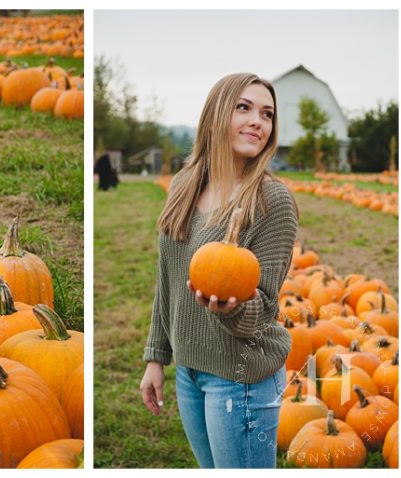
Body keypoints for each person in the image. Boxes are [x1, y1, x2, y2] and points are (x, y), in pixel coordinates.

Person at [137, 73, 298, 468]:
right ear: (216, 114)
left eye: (267, 114)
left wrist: (231, 310)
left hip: (240, 377)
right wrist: (156, 356)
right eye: (243, 108)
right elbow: (168, 279)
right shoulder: (185, 185)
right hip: (190, 372)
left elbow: (264, 307)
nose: (257, 121)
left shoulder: (271, 201)